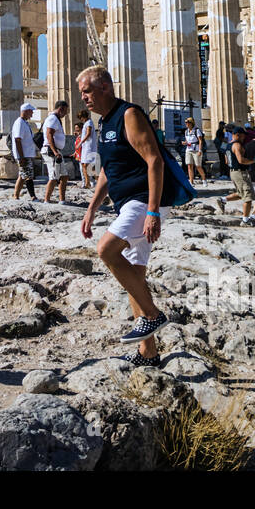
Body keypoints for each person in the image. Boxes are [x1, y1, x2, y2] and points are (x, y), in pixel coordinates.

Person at [76, 65, 176, 368]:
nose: (83, 98)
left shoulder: (129, 115)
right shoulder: (104, 122)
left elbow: (154, 159)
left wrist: (153, 211)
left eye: (87, 91)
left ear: (105, 87)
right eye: (82, 93)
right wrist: (92, 208)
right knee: (134, 275)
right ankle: (149, 353)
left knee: (106, 250)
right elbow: (107, 172)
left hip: (144, 199)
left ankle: (154, 315)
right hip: (127, 203)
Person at [42, 100, 72, 203]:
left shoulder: (55, 119)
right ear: (61, 109)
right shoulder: (53, 119)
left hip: (56, 151)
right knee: (54, 176)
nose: (66, 113)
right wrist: (55, 152)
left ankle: (62, 200)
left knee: (64, 175)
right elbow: (49, 134)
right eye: (65, 111)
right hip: (51, 151)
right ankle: (46, 200)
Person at [11, 102, 38, 200]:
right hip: (24, 155)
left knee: (22, 175)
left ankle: (16, 195)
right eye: (31, 112)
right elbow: (17, 140)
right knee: (28, 176)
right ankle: (33, 196)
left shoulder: (24, 123)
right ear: (26, 111)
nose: (32, 114)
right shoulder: (19, 123)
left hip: (27, 154)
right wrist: (21, 156)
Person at [76, 109, 99, 188]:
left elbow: (88, 133)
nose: (80, 119)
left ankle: (97, 180)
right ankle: (87, 182)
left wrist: (81, 142)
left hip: (89, 147)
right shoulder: (86, 123)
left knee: (89, 166)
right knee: (84, 165)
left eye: (81, 118)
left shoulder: (89, 123)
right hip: (86, 147)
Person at [181, 117, 206, 185]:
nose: (186, 124)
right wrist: (185, 143)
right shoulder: (186, 131)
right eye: (186, 122)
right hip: (188, 149)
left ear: (191, 123)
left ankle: (204, 179)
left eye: (188, 122)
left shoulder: (197, 130)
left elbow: (200, 141)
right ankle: (191, 181)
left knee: (198, 165)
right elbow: (188, 141)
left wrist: (200, 150)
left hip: (196, 149)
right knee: (189, 165)